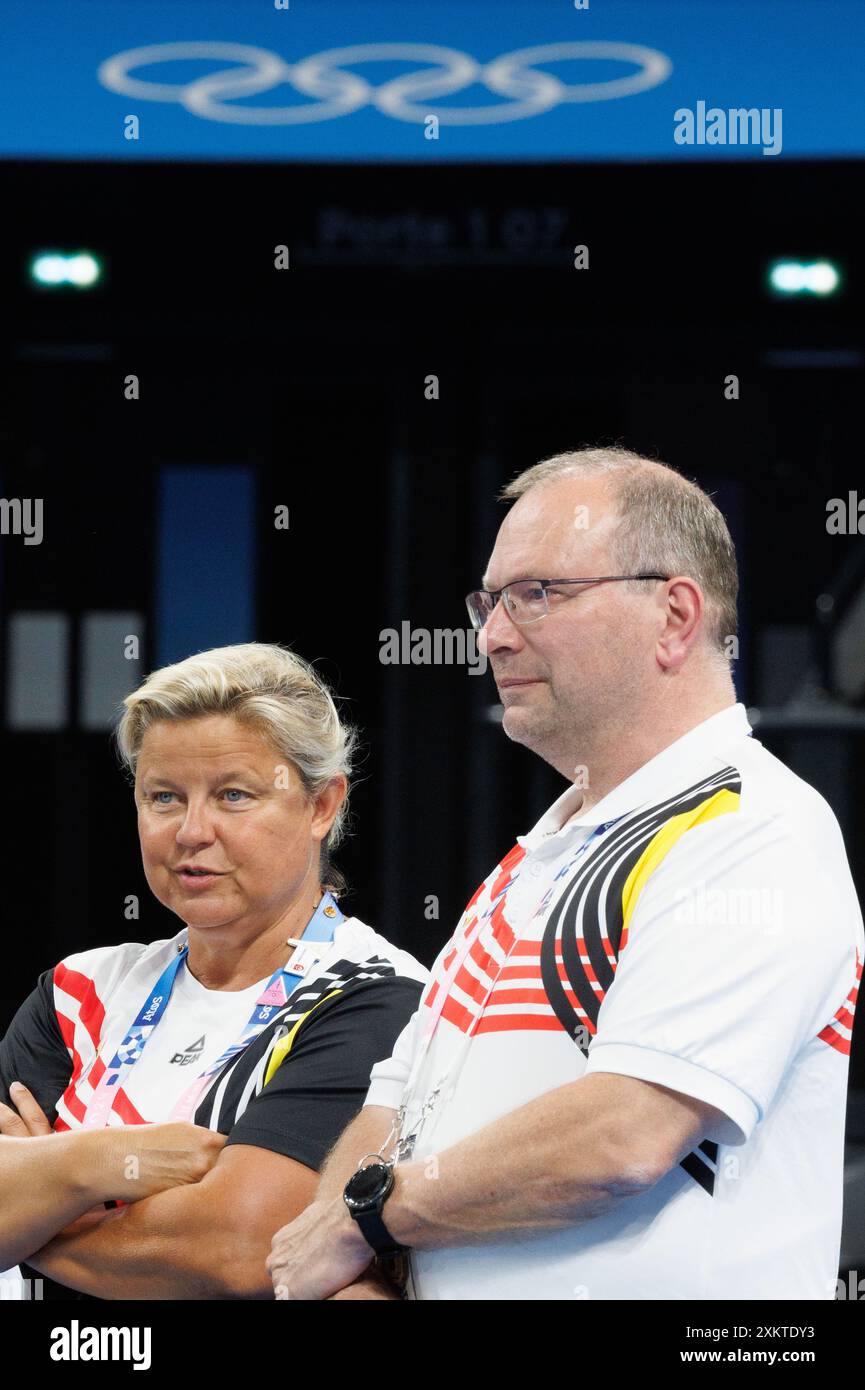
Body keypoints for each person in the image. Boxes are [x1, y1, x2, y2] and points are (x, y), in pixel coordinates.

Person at [268, 445, 864, 1302]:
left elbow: (621, 1136)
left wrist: (365, 1219)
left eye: (538, 594)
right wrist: (353, 1272)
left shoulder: (754, 827)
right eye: (490, 600)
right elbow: (393, 1111)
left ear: (674, 616)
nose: (493, 634)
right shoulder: (534, 859)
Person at [0, 642, 427, 1299]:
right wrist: (99, 1162)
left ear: (322, 805)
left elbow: (239, 1248)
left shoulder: (381, 999)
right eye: (164, 797)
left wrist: (37, 1202)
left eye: (233, 795)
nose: (191, 831)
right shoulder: (78, 993)